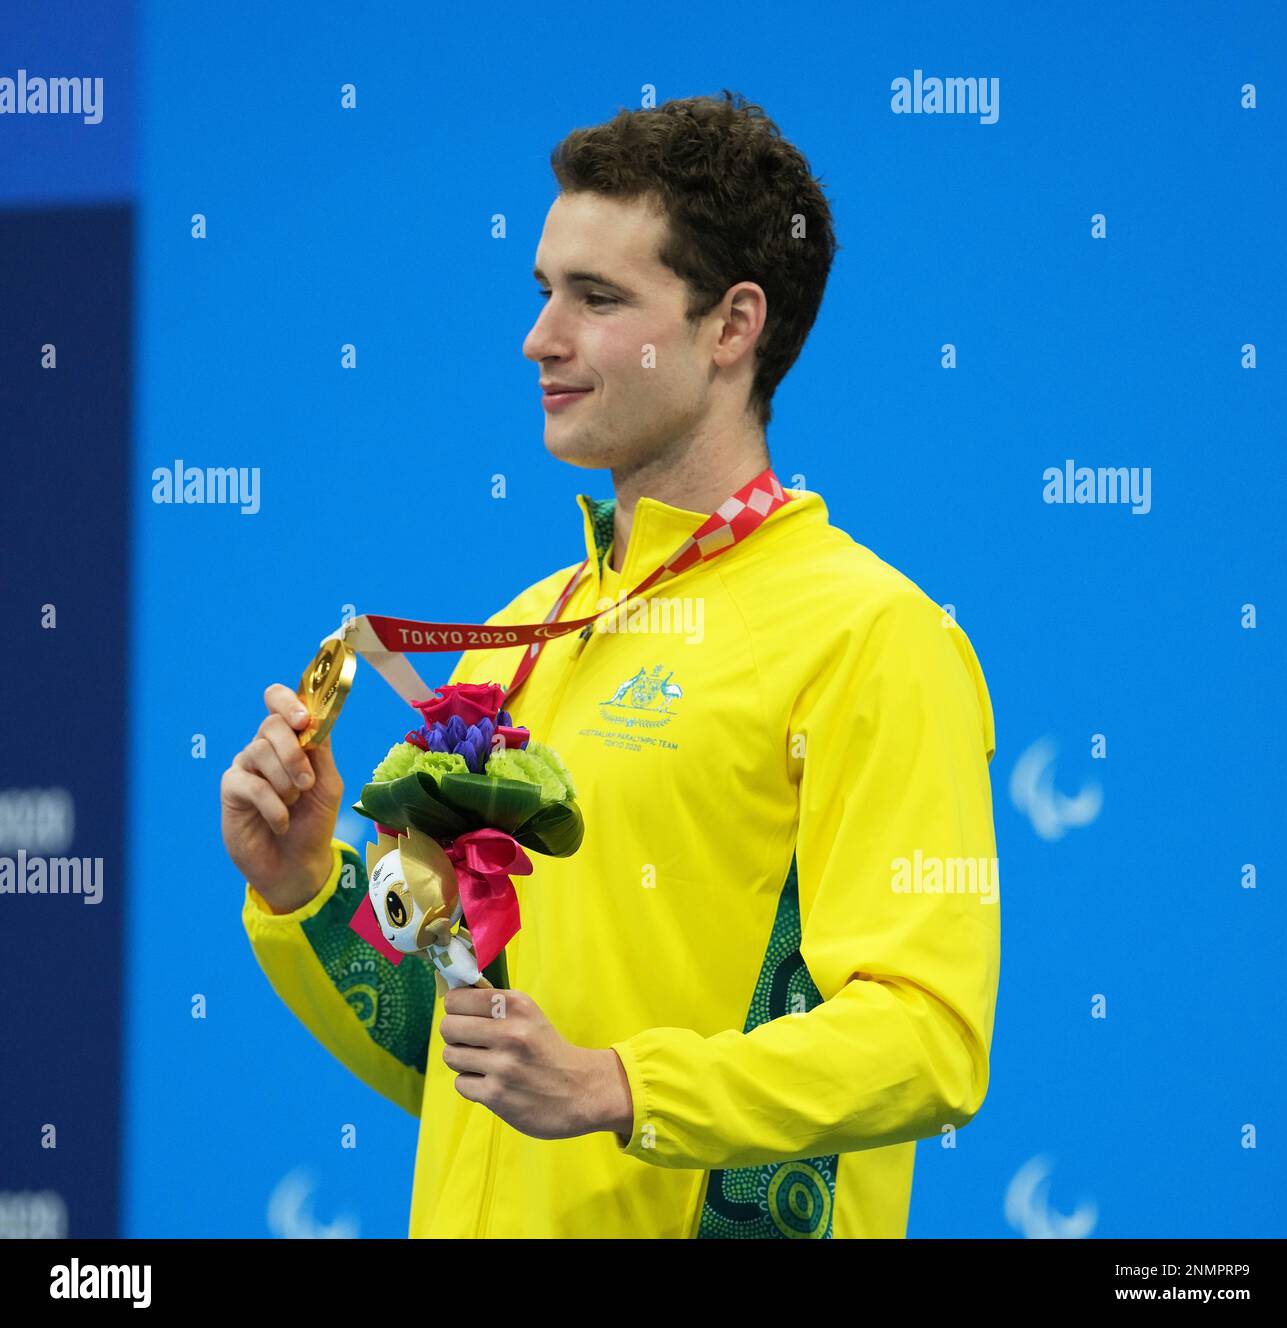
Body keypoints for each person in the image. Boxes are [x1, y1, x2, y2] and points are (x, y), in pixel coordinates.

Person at [221, 90, 1000, 1239]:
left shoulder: (869, 633)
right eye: (544, 291)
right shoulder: (529, 629)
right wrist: (301, 887)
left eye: (596, 298)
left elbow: (926, 1034)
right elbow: (467, 1061)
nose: (539, 337)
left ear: (732, 325)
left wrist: (624, 1086)